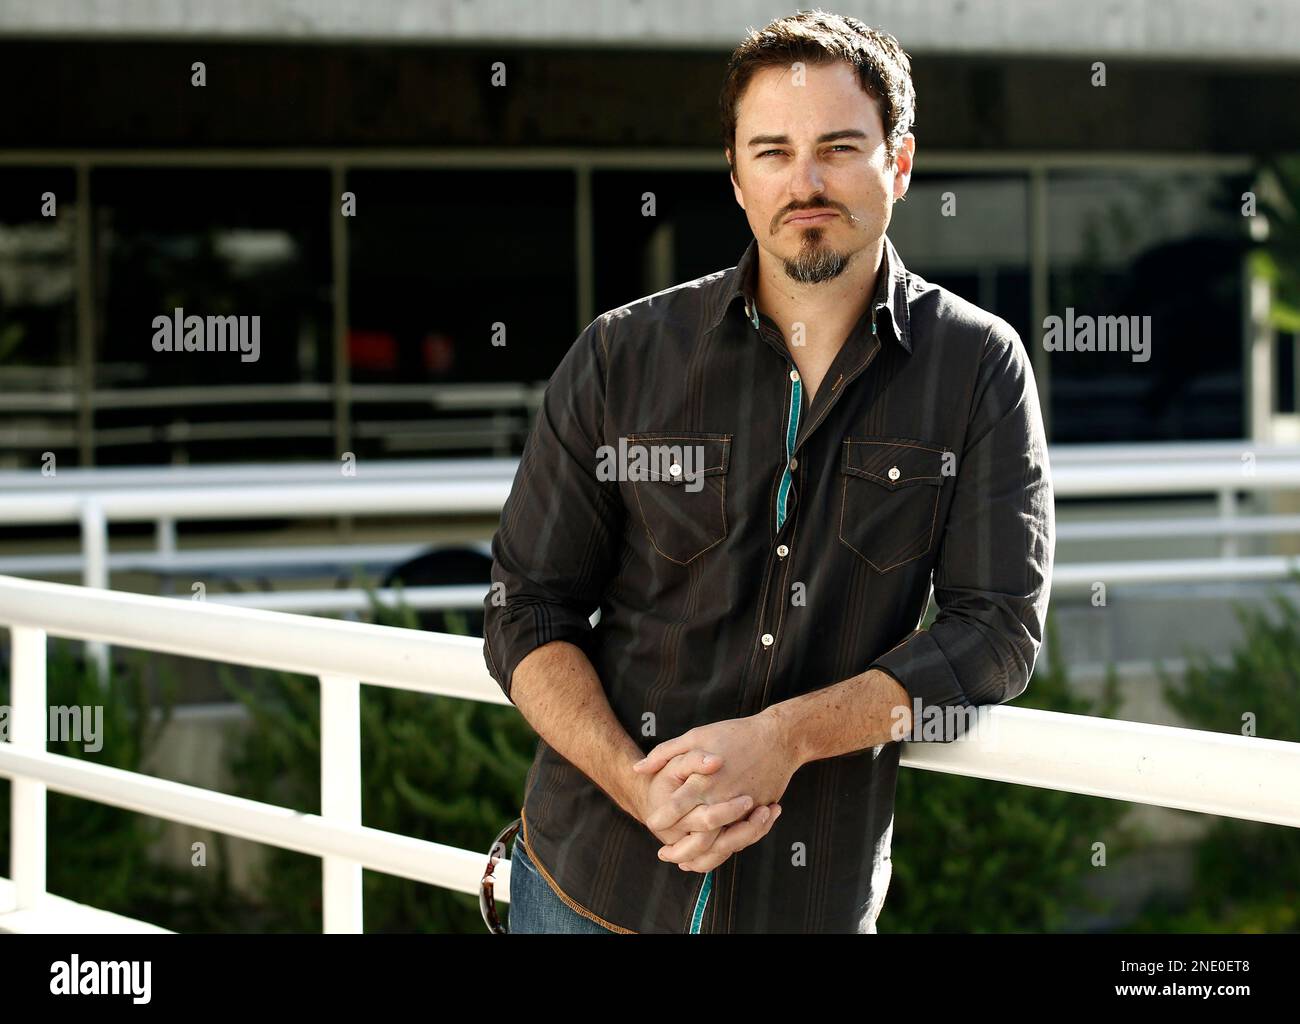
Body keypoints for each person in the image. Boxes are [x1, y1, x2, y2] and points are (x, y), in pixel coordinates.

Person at [483, 9, 1054, 934]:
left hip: (806, 904)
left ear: (898, 164)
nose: (806, 181)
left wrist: (784, 740)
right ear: (738, 176)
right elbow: (526, 606)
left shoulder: (977, 367)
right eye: (773, 151)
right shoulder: (622, 356)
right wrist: (638, 786)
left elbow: (997, 630)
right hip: (587, 885)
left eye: (837, 146)